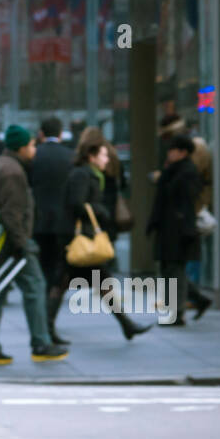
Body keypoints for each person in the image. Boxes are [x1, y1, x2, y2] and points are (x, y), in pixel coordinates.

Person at [0, 125, 69, 364]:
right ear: (21, 147)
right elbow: (11, 214)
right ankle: (41, 343)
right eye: (31, 145)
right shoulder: (13, 172)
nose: (34, 149)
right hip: (11, 245)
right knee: (35, 287)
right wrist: (23, 244)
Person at [63, 139, 152, 340]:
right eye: (103, 155)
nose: (106, 159)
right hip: (82, 239)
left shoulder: (92, 175)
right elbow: (77, 203)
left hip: (85, 238)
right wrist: (101, 211)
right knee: (73, 282)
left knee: (93, 282)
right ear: (91, 157)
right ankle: (127, 325)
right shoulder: (82, 175)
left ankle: (127, 325)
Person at [147, 134, 212, 327]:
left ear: (183, 152)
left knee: (175, 271)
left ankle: (176, 313)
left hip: (179, 229)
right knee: (170, 270)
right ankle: (194, 301)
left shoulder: (186, 172)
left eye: (173, 150)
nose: (169, 153)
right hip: (170, 228)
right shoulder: (174, 170)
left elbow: (184, 201)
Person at [30, 117, 76, 344]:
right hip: (61, 224)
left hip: (38, 223)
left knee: (43, 273)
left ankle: (44, 325)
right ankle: (47, 325)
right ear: (61, 133)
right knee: (56, 275)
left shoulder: (34, 155)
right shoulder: (70, 157)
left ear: (40, 133)